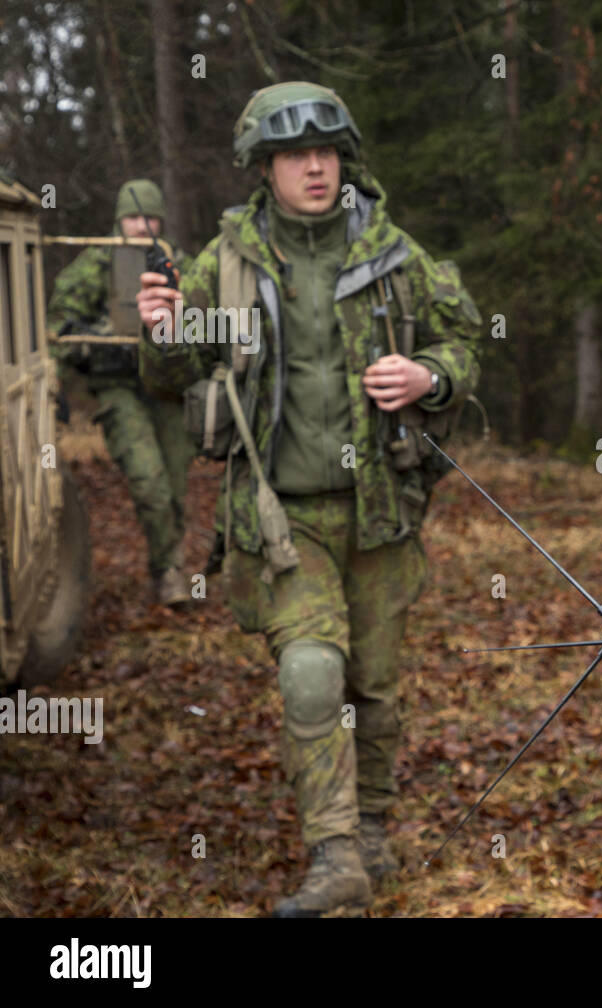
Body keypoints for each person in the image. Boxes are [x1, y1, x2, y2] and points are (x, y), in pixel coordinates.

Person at [136, 81, 482, 916]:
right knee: (310, 675)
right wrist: (161, 331)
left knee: (376, 685)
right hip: (282, 515)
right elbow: (170, 375)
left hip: (382, 511)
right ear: (264, 167)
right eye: (295, 154)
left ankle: (369, 831)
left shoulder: (395, 254)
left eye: (326, 151)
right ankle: (333, 856)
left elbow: (465, 340)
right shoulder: (227, 265)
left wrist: (430, 375)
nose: (315, 167)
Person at [48, 179, 194, 607]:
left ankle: (171, 565)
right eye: (133, 216)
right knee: (149, 481)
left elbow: (210, 315)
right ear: (119, 219)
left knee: (175, 484)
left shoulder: (177, 261)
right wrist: (62, 371)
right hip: (119, 387)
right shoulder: (97, 262)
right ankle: (168, 572)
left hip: (168, 387)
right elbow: (58, 324)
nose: (141, 225)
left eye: (149, 217)